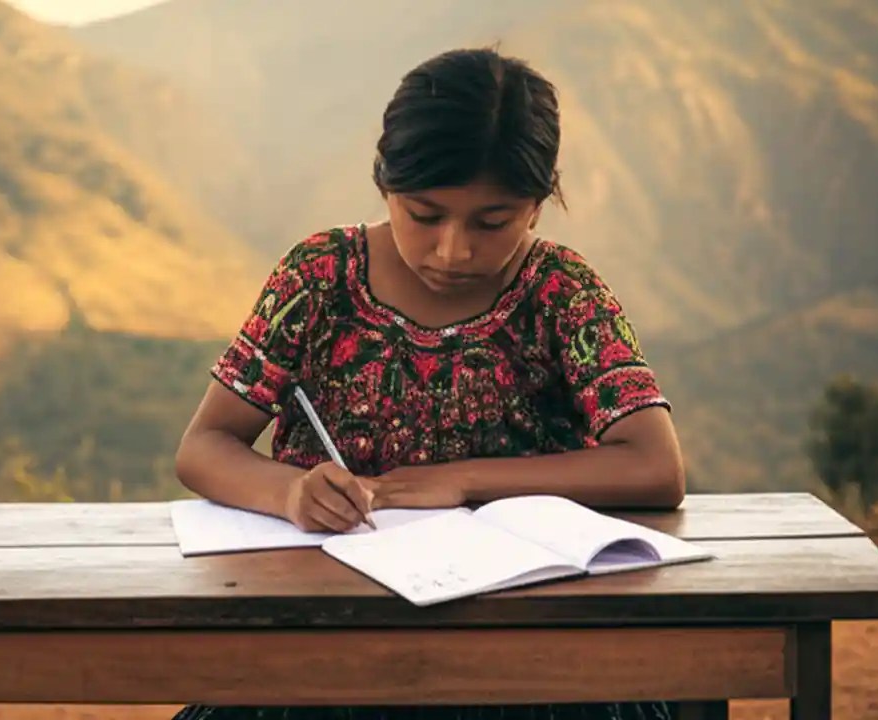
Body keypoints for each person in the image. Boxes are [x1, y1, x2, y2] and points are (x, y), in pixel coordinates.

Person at [172, 47, 685, 720]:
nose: (453, 250)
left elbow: (655, 466)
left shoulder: (562, 291)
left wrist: (466, 479)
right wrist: (290, 492)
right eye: (424, 215)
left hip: (524, 643)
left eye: (492, 221)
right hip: (331, 633)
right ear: (384, 184)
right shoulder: (318, 278)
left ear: (538, 204)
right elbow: (205, 445)